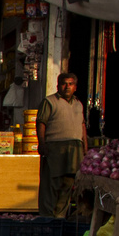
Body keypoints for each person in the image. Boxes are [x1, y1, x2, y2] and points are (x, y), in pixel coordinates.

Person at [36, 72, 87, 217]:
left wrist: (85, 148)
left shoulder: (78, 104)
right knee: (51, 184)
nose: (67, 87)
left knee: (68, 184)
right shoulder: (50, 101)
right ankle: (47, 217)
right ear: (58, 86)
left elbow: (82, 126)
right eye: (64, 84)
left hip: (75, 148)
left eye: (71, 84)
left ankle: (59, 218)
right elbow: (41, 123)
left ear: (75, 87)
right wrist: (42, 143)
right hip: (55, 147)